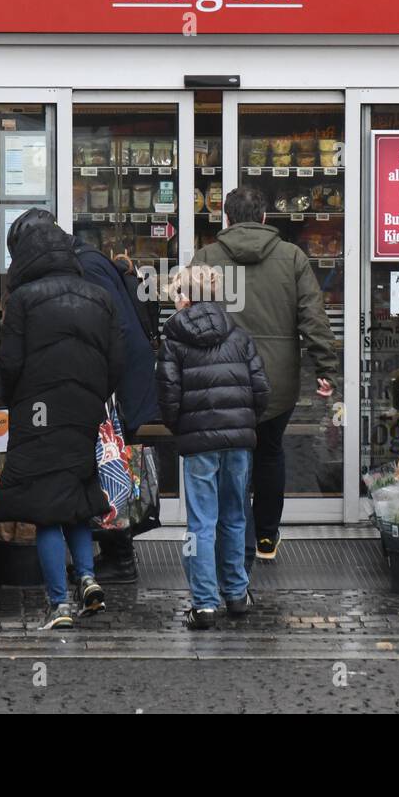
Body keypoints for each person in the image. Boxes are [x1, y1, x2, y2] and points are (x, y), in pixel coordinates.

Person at [6, 211, 159, 585]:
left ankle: (120, 558)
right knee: (100, 469)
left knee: (105, 470)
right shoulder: (88, 258)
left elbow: (107, 334)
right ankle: (108, 558)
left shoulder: (82, 270)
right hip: (119, 382)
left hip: (116, 387)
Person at [190, 186, 338, 563]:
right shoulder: (292, 257)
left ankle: (237, 540)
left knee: (230, 455)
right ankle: (267, 538)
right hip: (276, 379)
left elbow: (188, 314)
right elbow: (313, 316)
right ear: (265, 218)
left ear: (225, 219)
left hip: (220, 376)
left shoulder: (206, 257)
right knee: (270, 453)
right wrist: (326, 367)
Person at [0, 212, 125, 630]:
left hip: (38, 410)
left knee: (45, 505)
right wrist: (94, 395)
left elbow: (10, 364)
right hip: (84, 406)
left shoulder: (23, 300)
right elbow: (117, 359)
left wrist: (19, 403)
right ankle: (87, 579)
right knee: (78, 494)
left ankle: (58, 605)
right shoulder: (98, 295)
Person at [156, 266, 269, 629]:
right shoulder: (238, 334)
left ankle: (204, 603)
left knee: (201, 523)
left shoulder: (173, 340)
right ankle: (236, 593)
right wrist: (243, 424)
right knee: (235, 516)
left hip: (198, 442)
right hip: (238, 441)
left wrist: (183, 428)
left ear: (184, 298)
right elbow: (260, 390)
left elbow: (168, 397)